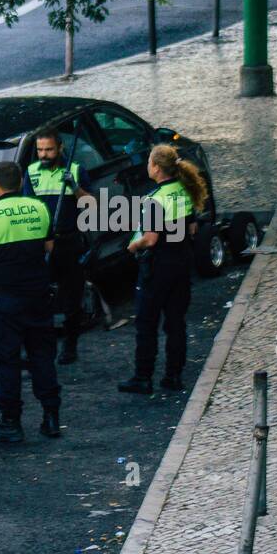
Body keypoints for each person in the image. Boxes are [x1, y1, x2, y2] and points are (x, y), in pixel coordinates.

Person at [0, 160, 62, 443]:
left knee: (7, 359)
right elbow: (49, 246)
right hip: (39, 296)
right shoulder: (39, 208)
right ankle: (51, 416)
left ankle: (11, 422)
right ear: (21, 182)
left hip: (6, 300)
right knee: (42, 355)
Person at [117, 144, 209, 395]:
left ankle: (143, 376)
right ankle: (174, 376)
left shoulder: (154, 200)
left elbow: (150, 239)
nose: (148, 166)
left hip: (158, 267)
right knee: (176, 322)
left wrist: (132, 247)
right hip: (181, 264)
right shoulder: (184, 191)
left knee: (147, 323)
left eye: (149, 162)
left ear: (156, 168)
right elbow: (191, 229)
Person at [23, 129, 95, 364]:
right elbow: (27, 207)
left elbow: (91, 204)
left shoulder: (74, 170)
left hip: (68, 241)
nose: (43, 154)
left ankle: (70, 346)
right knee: (36, 297)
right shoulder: (31, 172)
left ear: (60, 148)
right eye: (40, 150)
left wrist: (75, 187)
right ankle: (39, 347)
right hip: (42, 242)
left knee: (71, 298)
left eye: (49, 150)